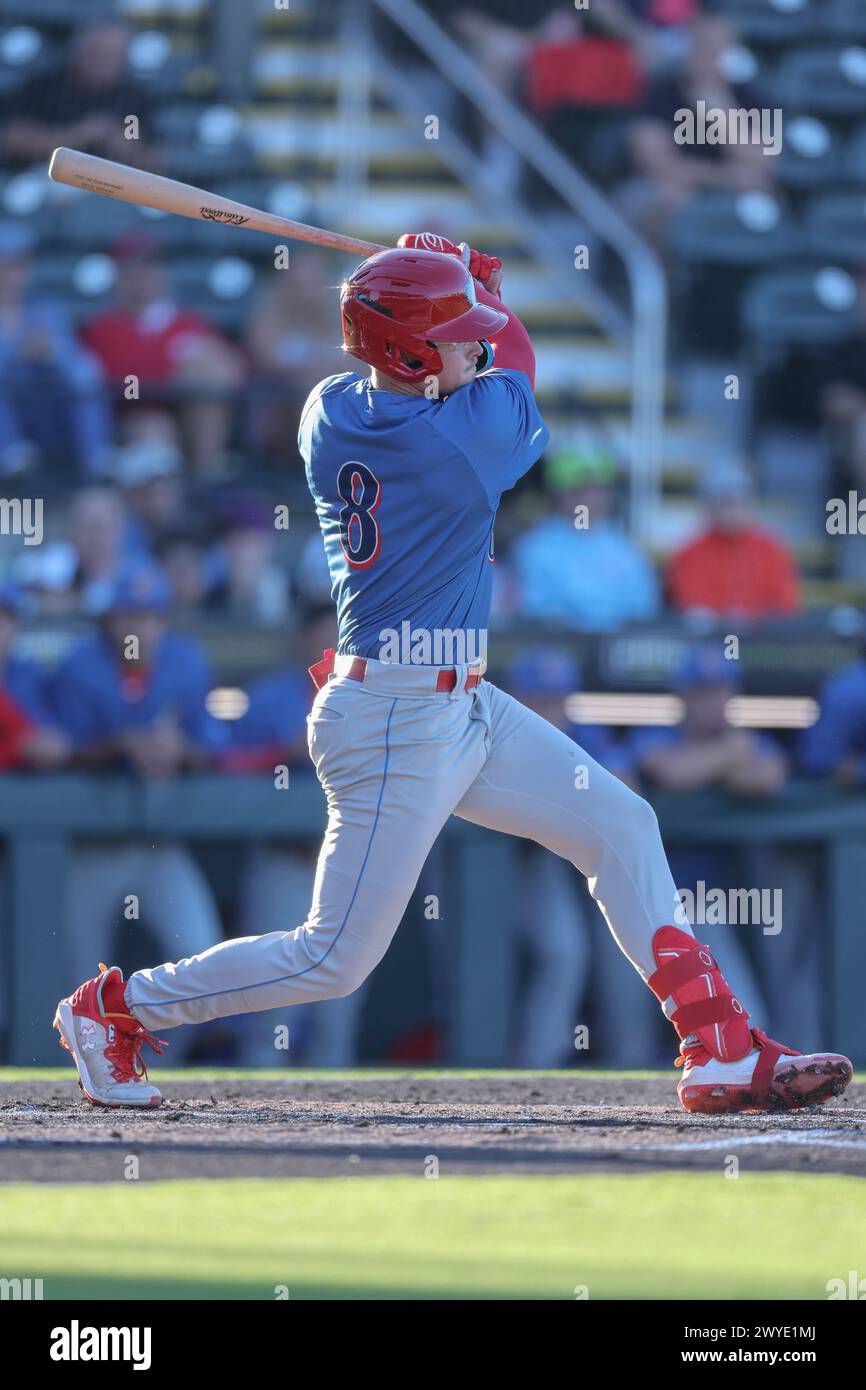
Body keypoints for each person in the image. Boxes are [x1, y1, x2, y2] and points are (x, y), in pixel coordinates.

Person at [53, 234, 852, 1114]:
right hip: (394, 715)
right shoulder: (455, 446)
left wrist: (443, 289)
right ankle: (116, 1010)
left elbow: (467, 357)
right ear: (404, 350)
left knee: (620, 823)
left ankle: (720, 1046)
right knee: (332, 958)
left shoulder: (329, 408)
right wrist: (486, 290)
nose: (473, 343)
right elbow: (517, 364)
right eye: (453, 334)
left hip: (458, 701)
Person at [49, 565, 226, 1034]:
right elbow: (56, 754)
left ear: (162, 621)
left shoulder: (185, 661)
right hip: (91, 847)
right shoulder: (79, 665)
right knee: (78, 977)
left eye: (148, 616)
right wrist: (121, 744)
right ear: (108, 621)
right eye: (126, 615)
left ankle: (164, 1070)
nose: (137, 627)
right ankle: (93, 1069)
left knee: (199, 951)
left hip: (158, 847)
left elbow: (215, 749)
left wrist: (176, 750)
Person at [82, 235, 243, 477]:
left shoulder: (189, 322)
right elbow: (119, 377)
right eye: (133, 270)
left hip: (187, 415)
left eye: (151, 267)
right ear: (118, 276)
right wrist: (174, 367)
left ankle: (207, 473)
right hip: (130, 418)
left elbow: (232, 374)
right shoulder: (102, 327)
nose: (143, 277)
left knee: (208, 367)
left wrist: (187, 369)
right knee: (154, 429)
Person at [512, 443, 660, 630]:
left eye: (598, 489)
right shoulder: (534, 548)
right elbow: (537, 611)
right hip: (561, 647)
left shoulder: (626, 549)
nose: (590, 499)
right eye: (579, 490)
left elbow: (643, 610)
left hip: (618, 648)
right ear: (560, 494)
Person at [667, 465, 802, 620]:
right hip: (712, 642)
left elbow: (785, 607)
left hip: (763, 640)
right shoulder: (690, 552)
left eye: (739, 502)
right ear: (708, 506)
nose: (732, 511)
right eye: (725, 502)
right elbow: (694, 608)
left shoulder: (771, 549)